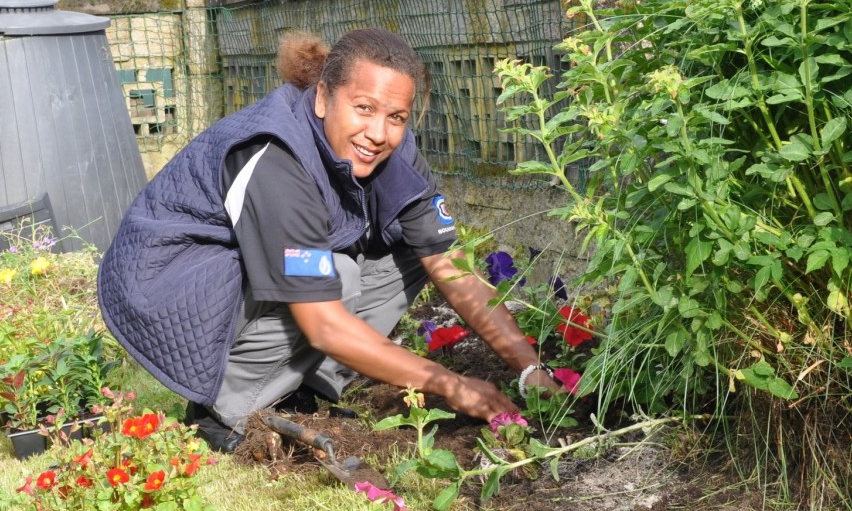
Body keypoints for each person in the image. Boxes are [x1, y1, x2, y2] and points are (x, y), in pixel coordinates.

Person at [98, 28, 558, 452]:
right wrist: (450, 384)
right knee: (333, 272)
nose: (378, 133)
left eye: (396, 117)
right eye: (364, 108)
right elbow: (323, 323)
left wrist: (529, 367)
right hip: (168, 285)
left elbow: (449, 264)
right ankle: (225, 413)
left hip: (231, 276)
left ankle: (302, 391)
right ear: (322, 97)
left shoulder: (391, 150)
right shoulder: (276, 157)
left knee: (411, 251)